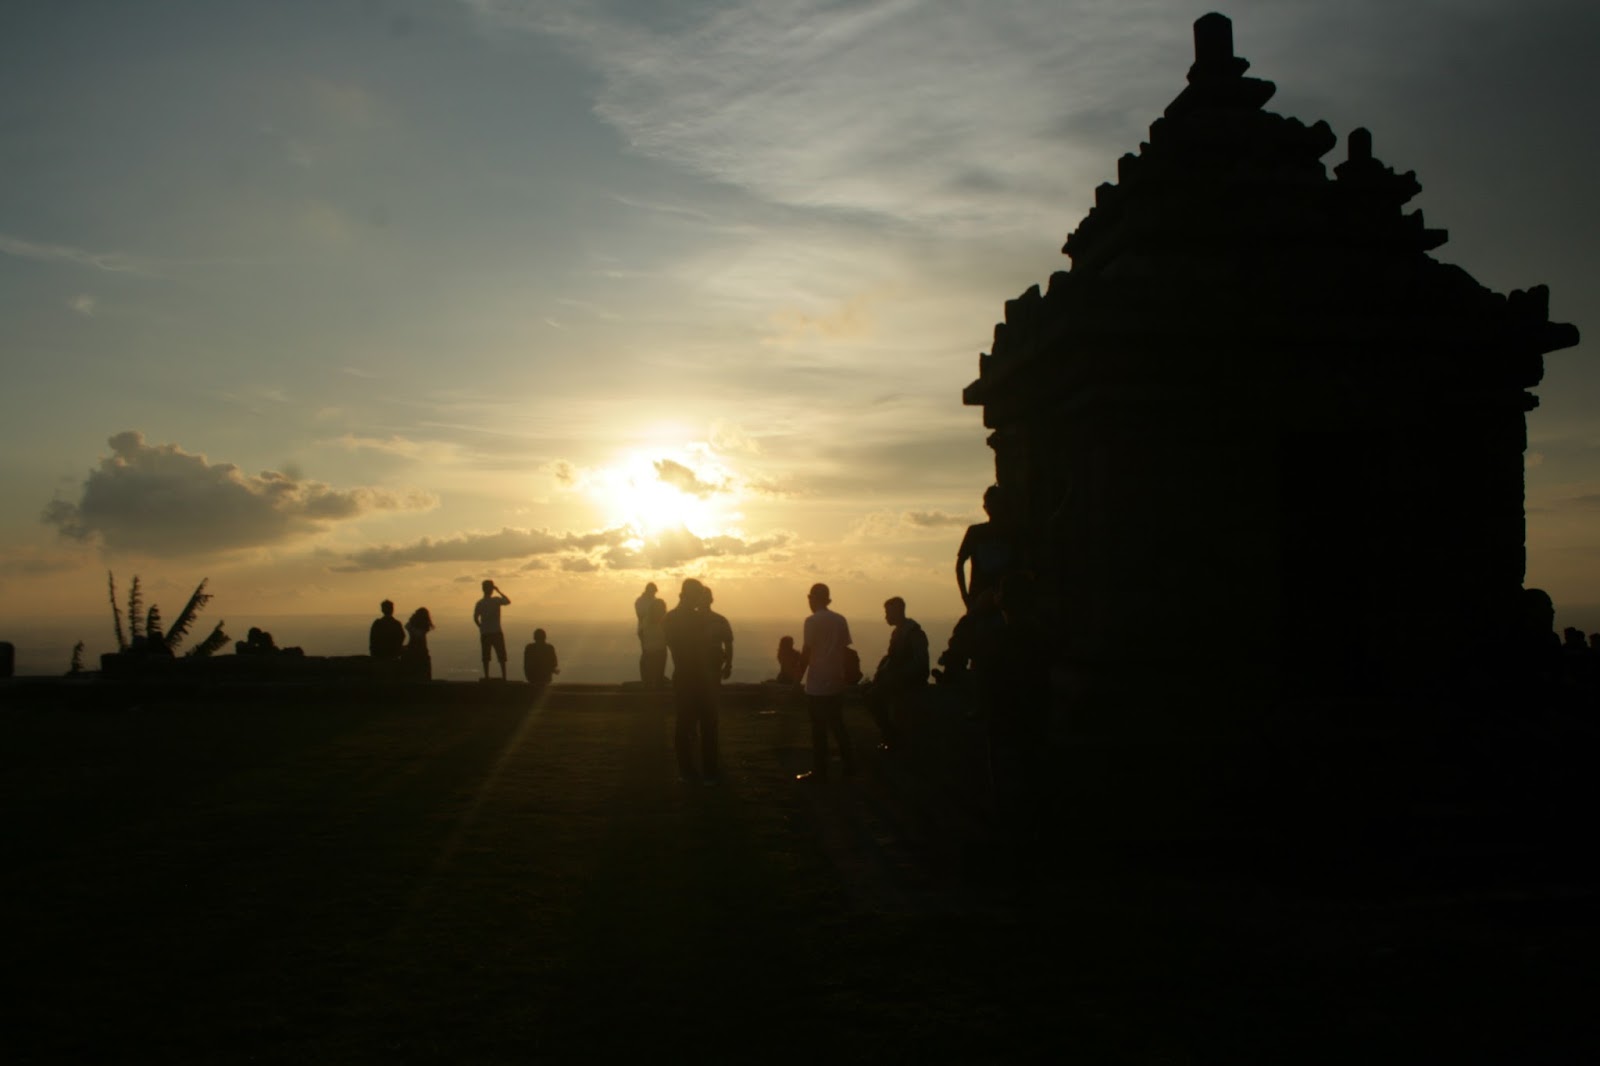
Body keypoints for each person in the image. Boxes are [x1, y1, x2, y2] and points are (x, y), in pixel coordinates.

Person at [796, 583, 856, 782]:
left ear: (812, 599)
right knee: (838, 724)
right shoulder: (840, 620)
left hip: (817, 682)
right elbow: (845, 649)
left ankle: (820, 770)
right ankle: (849, 765)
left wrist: (797, 677)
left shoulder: (811, 621)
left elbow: (807, 651)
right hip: (836, 679)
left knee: (818, 728)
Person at [663, 578, 721, 785]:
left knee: (684, 725)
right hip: (701, 677)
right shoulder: (700, 619)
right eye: (698, 595)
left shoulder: (669, 618)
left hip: (683, 675)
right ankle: (710, 772)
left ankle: (686, 771)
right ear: (689, 594)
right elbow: (709, 647)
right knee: (708, 726)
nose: (700, 599)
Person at [864, 597, 929, 751]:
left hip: (909, 681)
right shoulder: (898, 632)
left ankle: (892, 737)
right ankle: (891, 736)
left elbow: (920, 663)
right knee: (869, 692)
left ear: (897, 612)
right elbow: (891, 657)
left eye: (888, 612)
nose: (886, 616)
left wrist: (897, 676)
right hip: (898, 679)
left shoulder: (914, 633)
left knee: (874, 697)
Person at [473, 579, 512, 681]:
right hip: (496, 632)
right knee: (501, 656)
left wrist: (480, 627)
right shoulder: (496, 600)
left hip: (485, 633)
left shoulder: (480, 603)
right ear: (491, 589)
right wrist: (498, 591)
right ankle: (504, 677)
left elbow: (475, 617)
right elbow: (508, 601)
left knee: (486, 656)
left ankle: (487, 676)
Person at [639, 597, 668, 688]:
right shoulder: (664, 623)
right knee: (656, 684)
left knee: (649, 684)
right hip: (657, 655)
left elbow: (641, 637)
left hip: (647, 656)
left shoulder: (645, 621)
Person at [634, 582, 660, 683]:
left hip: (654, 632)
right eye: (653, 592)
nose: (654, 594)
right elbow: (641, 616)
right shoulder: (640, 601)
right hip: (644, 631)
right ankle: (646, 677)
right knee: (646, 654)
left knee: (654, 654)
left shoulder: (654, 600)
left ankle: (654, 676)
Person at [523, 628, 559, 695]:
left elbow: (526, 665)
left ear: (534, 638)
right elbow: (554, 663)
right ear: (545, 637)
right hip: (544, 679)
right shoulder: (549, 648)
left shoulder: (529, 648)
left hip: (532, 679)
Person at [403, 607, 434, 681]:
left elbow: (407, 626)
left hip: (413, 651)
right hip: (422, 653)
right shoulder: (424, 627)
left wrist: (412, 619)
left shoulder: (413, 627)